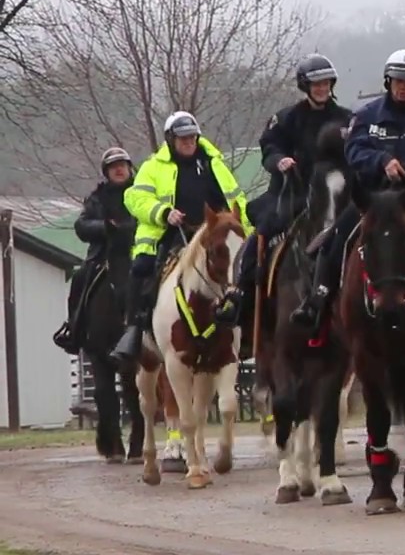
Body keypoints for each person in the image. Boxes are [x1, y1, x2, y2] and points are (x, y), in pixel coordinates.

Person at [289, 48, 405, 330]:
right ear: (388, 81)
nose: (403, 87)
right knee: (334, 238)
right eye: (398, 80)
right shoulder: (367, 114)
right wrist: (382, 161)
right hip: (375, 195)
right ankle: (316, 300)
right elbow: (354, 149)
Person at [213, 54, 352, 327]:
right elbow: (269, 148)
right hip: (292, 193)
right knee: (264, 231)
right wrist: (280, 161)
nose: (322, 88)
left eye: (326, 83)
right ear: (305, 86)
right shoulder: (286, 118)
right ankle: (240, 293)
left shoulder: (347, 119)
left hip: (336, 195)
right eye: (316, 84)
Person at [108, 112, 253, 369]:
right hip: (171, 233)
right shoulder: (153, 167)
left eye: (192, 137)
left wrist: (242, 230)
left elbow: (236, 199)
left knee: (244, 274)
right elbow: (135, 199)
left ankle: (249, 328)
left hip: (212, 234)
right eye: (183, 138)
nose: (188, 142)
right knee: (142, 271)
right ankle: (134, 331)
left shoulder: (214, 163)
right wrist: (164, 213)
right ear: (171, 139)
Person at [53, 148, 137, 355]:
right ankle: (74, 329)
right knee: (79, 278)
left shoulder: (142, 193)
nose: (118, 170)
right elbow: (82, 225)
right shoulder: (96, 198)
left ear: (129, 168)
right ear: (106, 172)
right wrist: (104, 227)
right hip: (104, 255)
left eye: (122, 165)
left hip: (138, 250)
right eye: (113, 167)